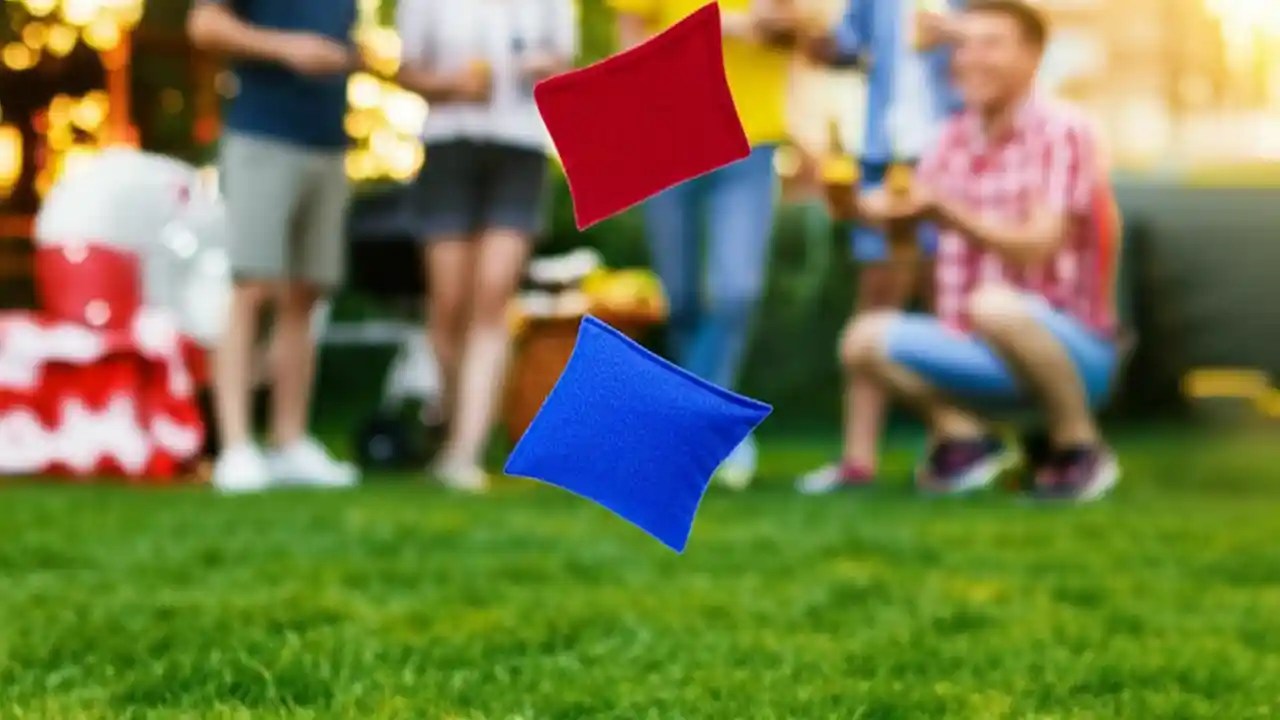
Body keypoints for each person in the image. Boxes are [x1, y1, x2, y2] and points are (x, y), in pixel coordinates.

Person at [836, 0, 1121, 500]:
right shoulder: (949, 139)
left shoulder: (1063, 130)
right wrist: (858, 208)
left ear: (1033, 56)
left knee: (993, 304)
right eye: (962, 44)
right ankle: (967, 439)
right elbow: (907, 233)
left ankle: (1079, 447)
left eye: (991, 44)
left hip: (1073, 352)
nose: (970, 58)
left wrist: (945, 211)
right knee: (863, 338)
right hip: (979, 353)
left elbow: (1038, 245)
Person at [611, 0, 798, 490]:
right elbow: (629, 39)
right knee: (683, 299)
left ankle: (694, 427)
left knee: (736, 291)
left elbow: (819, 28)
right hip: (667, 131)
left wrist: (783, 23)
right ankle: (699, 424)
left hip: (751, 137)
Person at [396, 0, 577, 492]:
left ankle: (464, 450)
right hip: (449, 145)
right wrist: (451, 86)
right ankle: (450, 418)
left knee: (492, 297)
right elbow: (405, 70)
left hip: (519, 148)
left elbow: (565, 66)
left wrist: (541, 68)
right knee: (449, 302)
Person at [188, 0, 360, 493]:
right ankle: (237, 447)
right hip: (262, 137)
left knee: (306, 295)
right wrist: (287, 48)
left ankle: (289, 441)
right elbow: (205, 24)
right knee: (252, 287)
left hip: (328, 143)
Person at [799, 0, 966, 493]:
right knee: (876, 302)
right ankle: (858, 459)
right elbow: (840, 49)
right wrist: (809, 28)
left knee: (948, 306)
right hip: (884, 156)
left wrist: (960, 31)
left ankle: (957, 442)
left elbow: (1019, 35)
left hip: (954, 152)